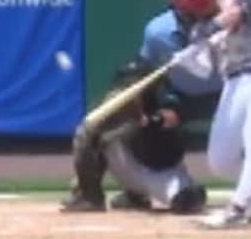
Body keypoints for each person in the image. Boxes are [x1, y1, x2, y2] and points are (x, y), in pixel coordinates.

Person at [169, 0, 251, 229]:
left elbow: (236, 14)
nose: (190, 13)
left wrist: (206, 33)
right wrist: (188, 58)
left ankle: (240, 206)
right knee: (219, 161)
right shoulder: (201, 30)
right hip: (233, 86)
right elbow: (205, 67)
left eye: (190, 5)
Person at [61, 59, 208, 214]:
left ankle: (137, 195)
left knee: (185, 200)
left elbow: (172, 115)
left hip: (161, 176)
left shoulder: (163, 102)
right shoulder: (115, 113)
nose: (123, 91)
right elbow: (88, 134)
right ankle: (92, 197)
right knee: (96, 134)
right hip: (133, 169)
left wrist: (153, 120)